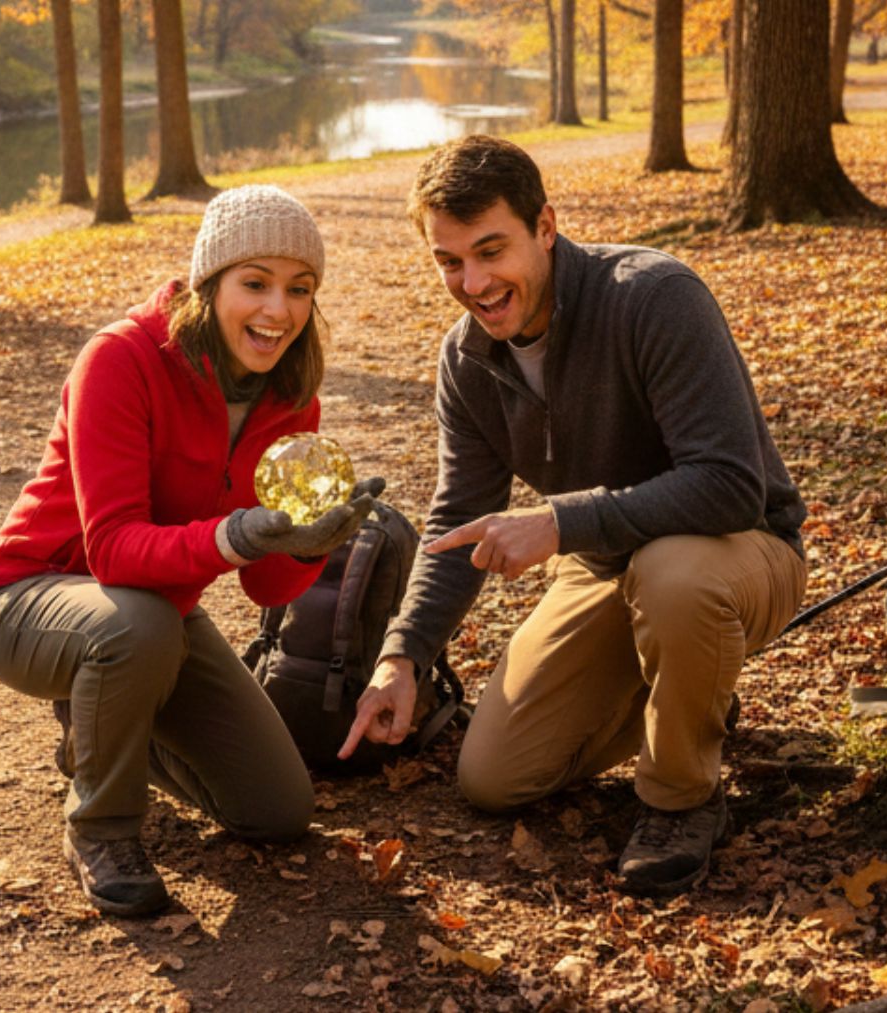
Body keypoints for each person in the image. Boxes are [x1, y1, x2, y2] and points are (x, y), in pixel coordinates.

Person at [340, 136, 807, 898]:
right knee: (493, 777)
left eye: (492, 250)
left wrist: (558, 524)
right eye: (449, 261)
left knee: (674, 575)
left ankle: (683, 798)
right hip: (606, 567)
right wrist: (403, 655)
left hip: (741, 549)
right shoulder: (468, 361)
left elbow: (729, 485)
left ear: (546, 226)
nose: (475, 282)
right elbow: (459, 515)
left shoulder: (654, 296)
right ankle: (688, 686)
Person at [0, 185, 381, 916]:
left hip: (150, 619)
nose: (277, 311)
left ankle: (98, 731)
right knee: (138, 626)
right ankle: (101, 827)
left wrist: (312, 546)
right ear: (209, 283)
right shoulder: (121, 358)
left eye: (299, 289)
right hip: (28, 599)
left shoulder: (290, 397)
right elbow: (115, 552)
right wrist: (234, 535)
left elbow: (265, 589)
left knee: (278, 810)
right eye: (254, 283)